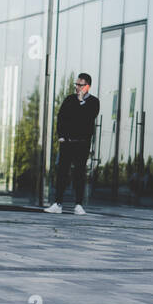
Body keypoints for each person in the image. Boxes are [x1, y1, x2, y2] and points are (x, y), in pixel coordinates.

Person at [46, 73, 99, 215]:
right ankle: (57, 203)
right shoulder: (69, 99)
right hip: (67, 143)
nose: (77, 87)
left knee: (79, 174)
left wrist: (82, 101)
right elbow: (61, 117)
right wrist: (61, 136)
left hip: (82, 144)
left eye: (80, 85)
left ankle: (78, 205)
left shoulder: (93, 102)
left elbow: (88, 117)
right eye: (76, 84)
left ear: (87, 86)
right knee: (62, 173)